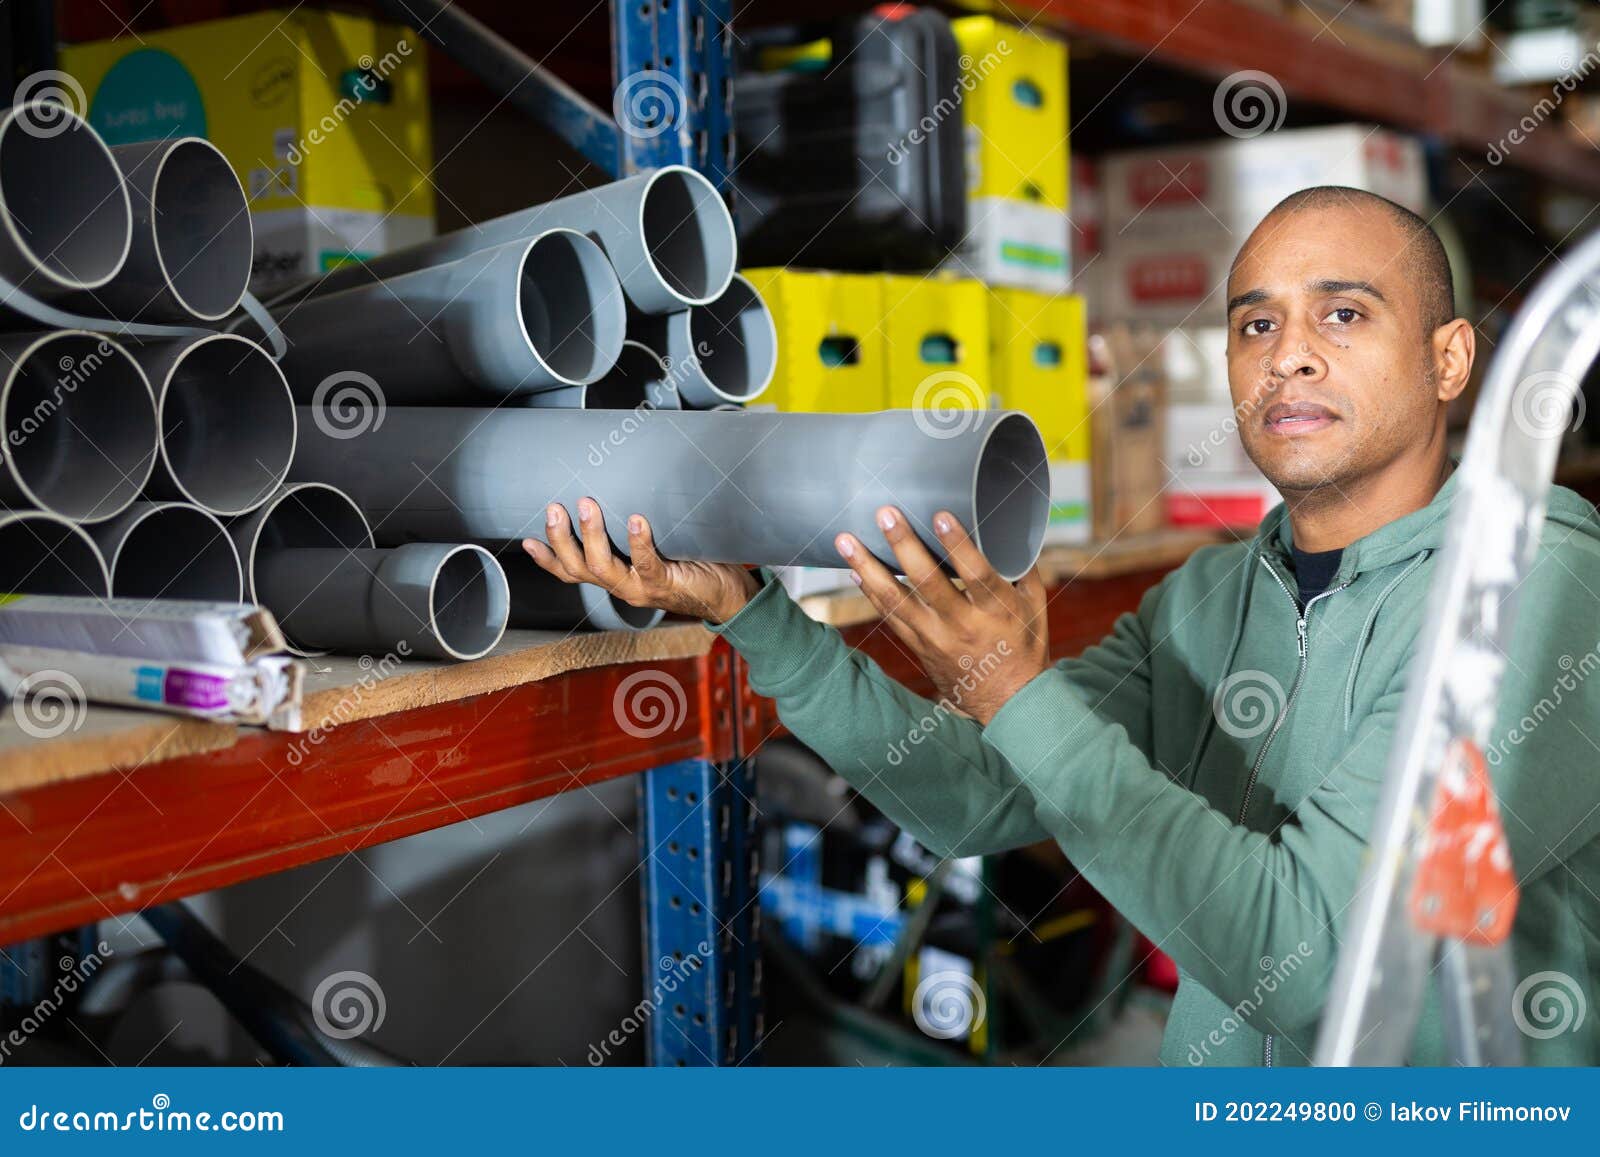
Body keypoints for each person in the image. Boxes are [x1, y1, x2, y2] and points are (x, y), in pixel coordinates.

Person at [523, 186, 1600, 1066]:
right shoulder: (1209, 594)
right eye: (1255, 322)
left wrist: (1015, 693)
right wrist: (751, 611)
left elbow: (1326, 968)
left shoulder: (1534, 591)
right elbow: (978, 793)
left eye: (1345, 313)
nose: (1290, 355)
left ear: (1451, 359)